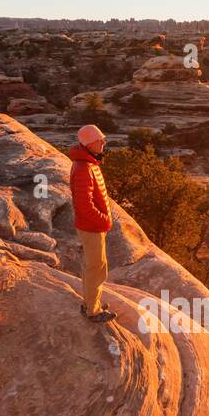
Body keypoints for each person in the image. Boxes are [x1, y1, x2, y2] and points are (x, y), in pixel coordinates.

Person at [68, 123, 118, 323]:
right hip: (91, 226)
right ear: (90, 143)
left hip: (92, 225)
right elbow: (83, 205)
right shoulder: (83, 168)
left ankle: (91, 301)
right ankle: (92, 310)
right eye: (100, 140)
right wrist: (104, 220)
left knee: (95, 265)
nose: (104, 143)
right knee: (96, 267)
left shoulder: (88, 163)